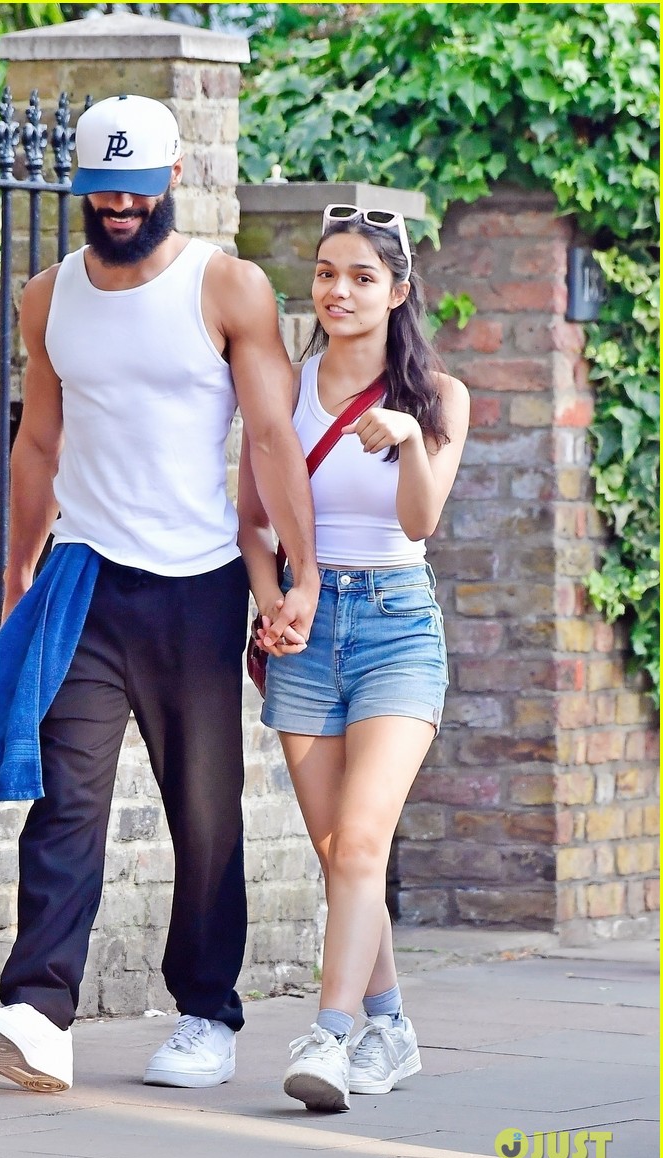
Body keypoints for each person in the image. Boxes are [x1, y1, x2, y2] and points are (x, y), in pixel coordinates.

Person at [0, 94, 319, 1093]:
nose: (116, 202)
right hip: (85, 579)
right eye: (100, 186)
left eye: (134, 186)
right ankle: (39, 1011)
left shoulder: (225, 288)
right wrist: (18, 568)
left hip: (196, 587)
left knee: (204, 809)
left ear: (172, 180)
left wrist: (300, 570)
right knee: (64, 800)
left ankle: (207, 1010)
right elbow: (36, 439)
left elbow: (274, 438)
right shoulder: (47, 297)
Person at [237, 203, 470, 1112]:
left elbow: (419, 522)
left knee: (363, 840)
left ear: (399, 291)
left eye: (362, 277)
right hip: (305, 628)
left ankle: (327, 1039)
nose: (339, 290)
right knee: (338, 851)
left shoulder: (438, 399)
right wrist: (274, 604)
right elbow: (251, 522)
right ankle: (392, 1026)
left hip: (395, 624)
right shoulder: (283, 387)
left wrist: (410, 439)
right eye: (327, 274)